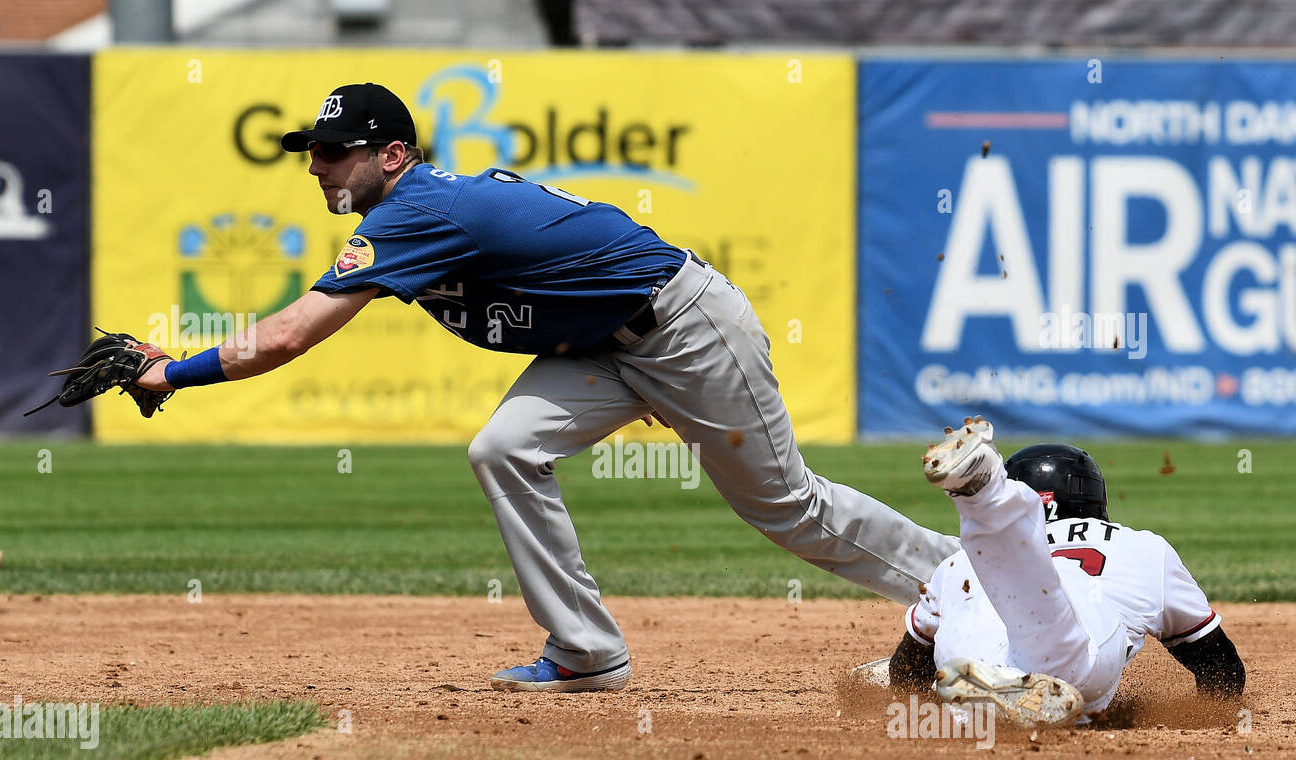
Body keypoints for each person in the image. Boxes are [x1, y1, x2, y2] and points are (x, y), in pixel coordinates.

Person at [133, 82, 958, 692]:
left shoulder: (414, 212)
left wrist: (170, 370)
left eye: (334, 151)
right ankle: (586, 652)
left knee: (787, 508)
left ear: (392, 156)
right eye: (311, 151)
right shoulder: (409, 213)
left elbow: (286, 336)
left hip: (684, 324)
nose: (317, 166)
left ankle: (968, 581)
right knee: (503, 448)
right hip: (602, 344)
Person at [855, 416, 1245, 727]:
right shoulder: (1142, 548)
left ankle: (985, 500)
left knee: (992, 595)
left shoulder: (956, 563)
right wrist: (1206, 716)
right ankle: (986, 497)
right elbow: (1222, 671)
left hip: (971, 650)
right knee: (1060, 626)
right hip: (1074, 653)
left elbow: (906, 672)